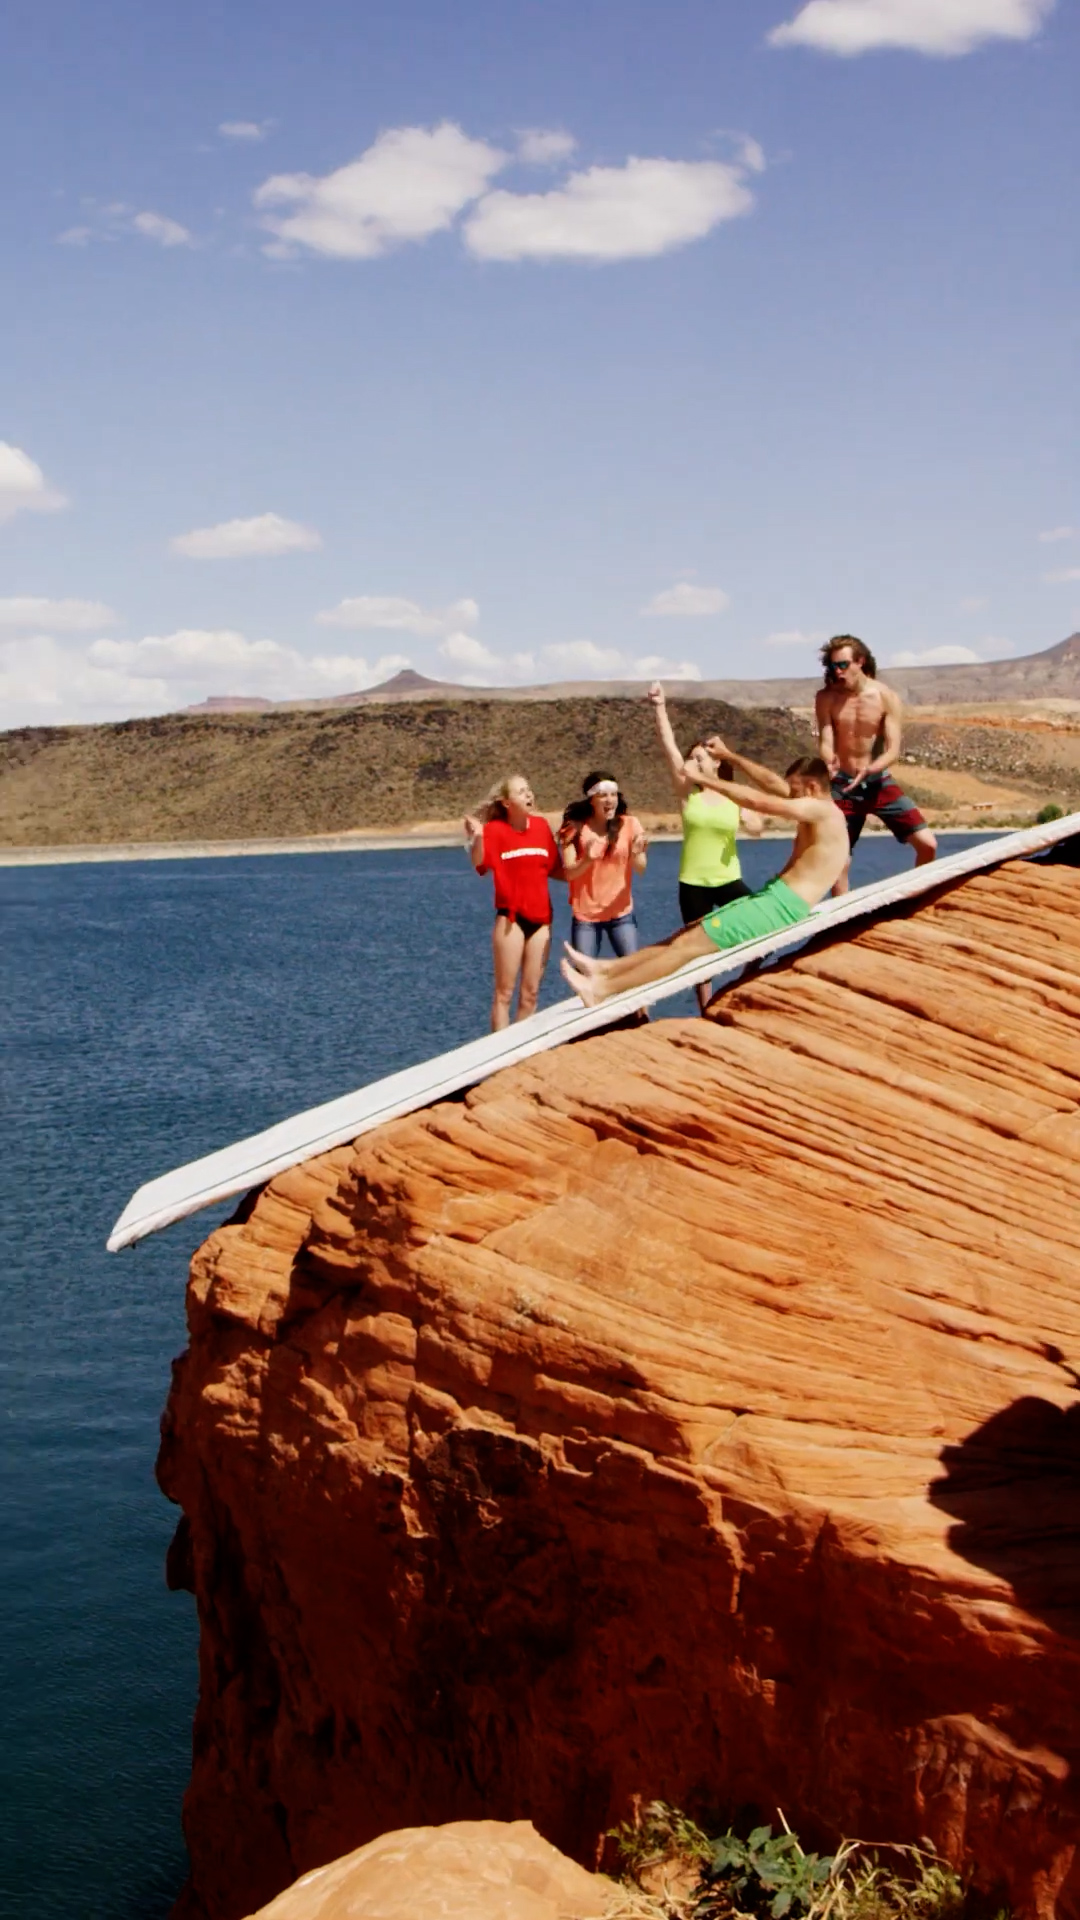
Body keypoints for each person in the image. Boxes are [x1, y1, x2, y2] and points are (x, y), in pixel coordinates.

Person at [560, 754, 848, 1008]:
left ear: (812, 788)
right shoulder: (819, 811)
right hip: (774, 898)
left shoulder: (821, 811)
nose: (790, 795)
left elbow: (758, 800)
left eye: (795, 791)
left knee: (689, 947)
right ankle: (606, 971)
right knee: (684, 935)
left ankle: (602, 991)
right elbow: (772, 784)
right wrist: (729, 756)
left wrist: (706, 779)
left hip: (781, 907)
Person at [648, 681, 764, 1010]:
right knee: (696, 950)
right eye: (692, 758)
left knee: (762, 930)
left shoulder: (732, 796)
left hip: (727, 880)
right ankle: (706, 1008)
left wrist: (750, 821)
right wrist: (659, 707)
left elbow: (757, 828)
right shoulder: (688, 795)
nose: (693, 762)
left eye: (700, 758)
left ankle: (739, 984)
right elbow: (668, 746)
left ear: (715, 765)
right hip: (693, 883)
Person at [815, 635, 937, 894]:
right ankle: (841, 923)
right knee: (839, 862)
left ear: (859, 661)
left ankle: (914, 898)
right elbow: (826, 738)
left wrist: (871, 768)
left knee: (928, 845)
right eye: (833, 666)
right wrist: (829, 758)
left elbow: (893, 749)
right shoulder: (826, 697)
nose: (838, 672)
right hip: (843, 785)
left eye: (843, 665)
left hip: (877, 781)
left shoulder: (885, 697)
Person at [464, 774, 561, 1031]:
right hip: (511, 920)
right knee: (504, 994)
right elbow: (480, 864)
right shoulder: (495, 831)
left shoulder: (541, 827)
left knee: (530, 994)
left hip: (542, 920)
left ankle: (521, 1057)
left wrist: (590, 862)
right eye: (521, 792)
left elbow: (558, 869)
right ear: (507, 803)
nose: (529, 795)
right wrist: (477, 838)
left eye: (529, 790)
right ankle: (499, 1058)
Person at [558, 771, 648, 958]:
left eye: (613, 795)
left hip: (621, 914)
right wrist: (587, 860)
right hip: (586, 918)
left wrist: (636, 853)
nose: (609, 800)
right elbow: (568, 873)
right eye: (603, 795)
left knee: (632, 971)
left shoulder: (630, 824)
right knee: (586, 977)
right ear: (591, 799)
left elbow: (641, 868)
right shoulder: (574, 828)